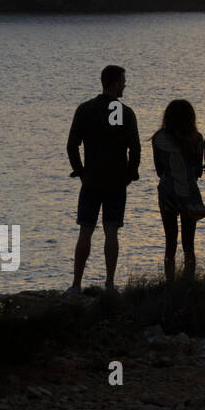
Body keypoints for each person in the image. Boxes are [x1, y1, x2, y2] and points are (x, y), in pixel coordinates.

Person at [65, 65, 139, 295]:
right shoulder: (125, 113)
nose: (125, 85)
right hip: (116, 182)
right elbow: (135, 149)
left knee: (85, 230)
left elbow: (71, 146)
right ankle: (109, 284)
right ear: (115, 83)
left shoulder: (85, 109)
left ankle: (76, 284)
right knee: (111, 231)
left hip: (92, 180)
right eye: (123, 81)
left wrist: (80, 172)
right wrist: (129, 175)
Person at [152, 99, 205, 283]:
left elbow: (159, 170)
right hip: (188, 193)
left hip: (167, 192)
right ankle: (188, 281)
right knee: (188, 244)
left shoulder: (158, 138)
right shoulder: (197, 138)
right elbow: (198, 172)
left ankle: (170, 282)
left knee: (170, 242)